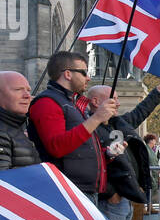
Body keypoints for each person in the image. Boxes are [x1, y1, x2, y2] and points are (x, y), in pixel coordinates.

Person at [28, 51, 119, 204]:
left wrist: (108, 154)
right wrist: (97, 118)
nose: (88, 77)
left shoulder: (71, 103)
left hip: (82, 190)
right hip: (68, 191)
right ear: (68, 74)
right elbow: (56, 147)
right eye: (84, 72)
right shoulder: (47, 102)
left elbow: (80, 148)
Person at [84, 78, 160, 220]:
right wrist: (111, 193)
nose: (117, 103)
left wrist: (159, 90)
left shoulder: (117, 122)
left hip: (125, 197)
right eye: (113, 99)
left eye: (117, 99)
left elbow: (141, 111)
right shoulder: (88, 128)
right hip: (111, 200)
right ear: (95, 101)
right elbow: (90, 165)